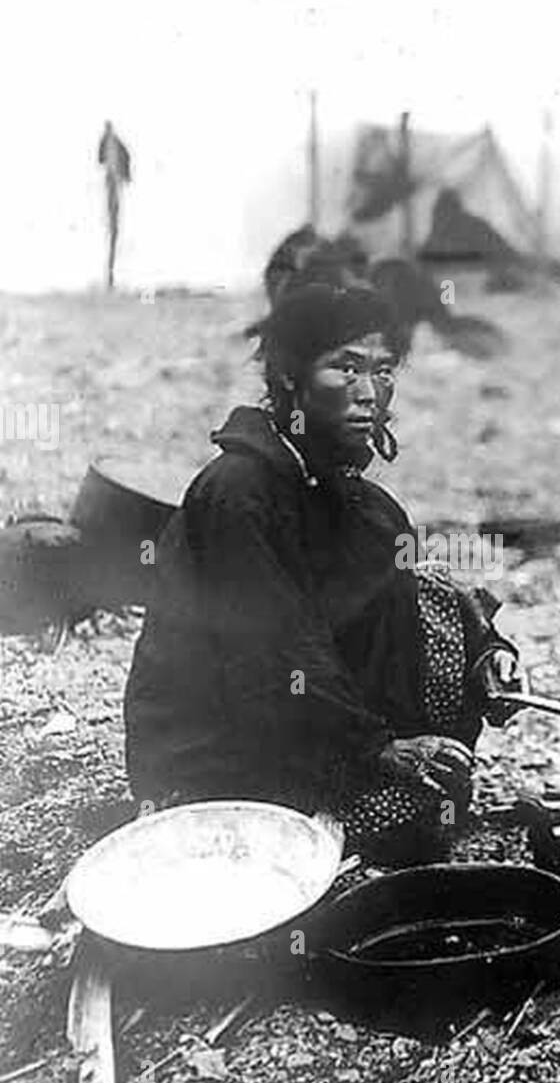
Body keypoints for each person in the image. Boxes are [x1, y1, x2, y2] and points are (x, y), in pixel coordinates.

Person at [124, 281, 518, 863]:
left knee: (428, 593)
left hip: (299, 721)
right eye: (346, 369)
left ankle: (368, 793)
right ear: (290, 377)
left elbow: (419, 596)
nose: (370, 393)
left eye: (383, 371)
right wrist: (379, 747)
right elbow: (273, 653)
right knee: (393, 825)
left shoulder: (356, 499)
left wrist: (489, 652)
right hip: (217, 748)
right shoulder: (239, 493)